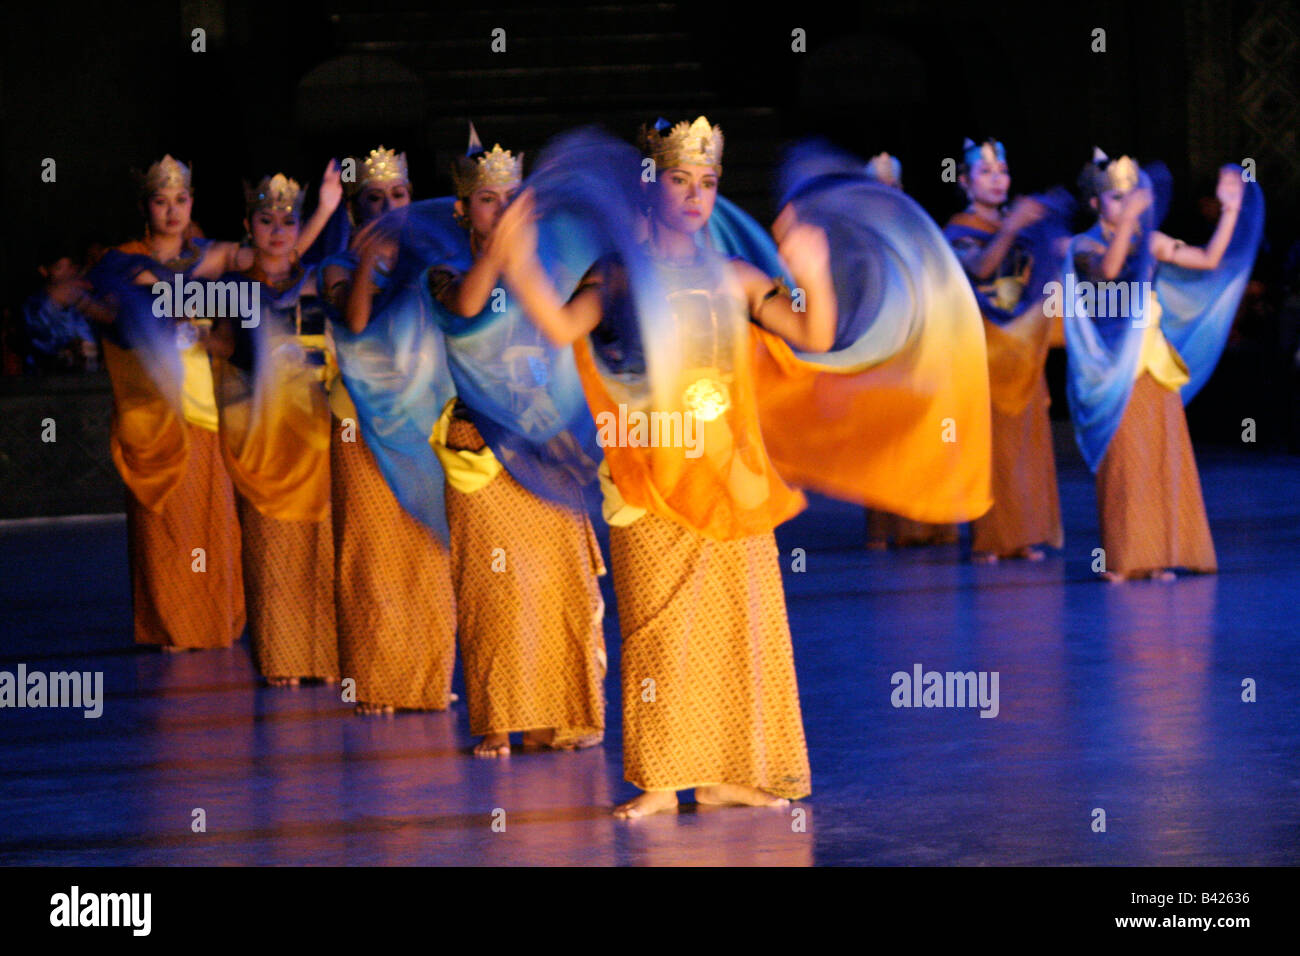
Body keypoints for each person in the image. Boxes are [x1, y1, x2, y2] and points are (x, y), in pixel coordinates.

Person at [497, 117, 836, 817]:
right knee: (658, 631)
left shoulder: (736, 277)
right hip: (649, 477)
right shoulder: (619, 274)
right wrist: (515, 260)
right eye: (679, 180)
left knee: (739, 628)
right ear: (651, 187)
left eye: (707, 183)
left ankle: (724, 775)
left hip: (730, 477)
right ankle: (660, 777)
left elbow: (816, 334)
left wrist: (815, 272)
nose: (695, 195)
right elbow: (561, 329)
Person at [347, 126, 607, 756]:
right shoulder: (443, 272)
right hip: (481, 447)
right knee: (495, 586)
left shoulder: (547, 270)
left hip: (542, 442)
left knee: (558, 581)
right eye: (489, 199)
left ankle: (561, 714)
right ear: (462, 209)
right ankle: (500, 717)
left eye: (513, 196)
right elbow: (467, 307)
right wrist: (504, 250)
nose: (504, 208)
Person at [1063, 150, 1263, 581]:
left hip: (1153, 362)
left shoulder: (1149, 240)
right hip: (1114, 369)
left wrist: (1229, 210)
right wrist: (1134, 216)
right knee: (1125, 466)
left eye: (1131, 196)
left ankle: (1160, 553)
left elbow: (1208, 259)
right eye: (1117, 199)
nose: (1129, 205)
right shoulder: (1084, 246)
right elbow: (1109, 269)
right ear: (1096, 204)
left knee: (1161, 460)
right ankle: (1124, 558)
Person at [324, 147, 459, 715]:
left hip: (427, 423)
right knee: (372, 556)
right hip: (361, 426)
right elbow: (356, 324)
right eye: (374, 199)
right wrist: (369, 263)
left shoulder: (433, 262)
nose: (387, 207)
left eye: (398, 196)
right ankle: (376, 680)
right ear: (356, 210)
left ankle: (428, 678)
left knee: (427, 551)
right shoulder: (338, 267)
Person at [209, 173, 339, 685]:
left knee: (321, 549)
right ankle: (283, 661)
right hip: (263, 432)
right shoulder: (233, 290)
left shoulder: (320, 282)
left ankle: (328, 658)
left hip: (317, 432)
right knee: (271, 551)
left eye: (289, 221)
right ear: (248, 226)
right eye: (267, 221)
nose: (279, 230)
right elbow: (221, 344)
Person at [944, 139, 1064, 562]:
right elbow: (980, 268)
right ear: (964, 181)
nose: (998, 180)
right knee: (993, 443)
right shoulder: (960, 228)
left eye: (1003, 172)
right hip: (985, 350)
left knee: (1027, 441)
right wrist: (1012, 227)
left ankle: (1025, 533)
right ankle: (991, 537)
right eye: (986, 173)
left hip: (1022, 347)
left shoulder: (1023, 229)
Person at [859, 153, 959, 549]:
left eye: (892, 185)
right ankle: (885, 529)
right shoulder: (856, 236)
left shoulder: (918, 232)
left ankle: (933, 524)